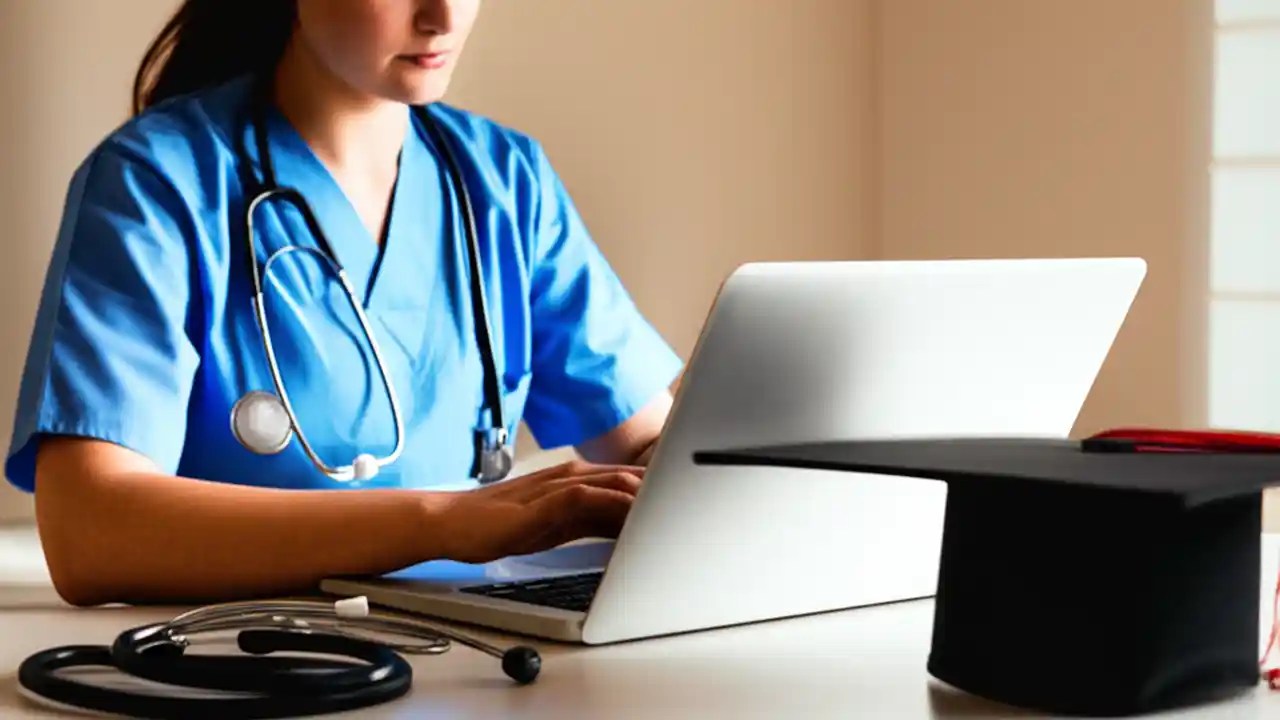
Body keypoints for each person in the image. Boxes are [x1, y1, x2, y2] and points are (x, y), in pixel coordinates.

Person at [4, 0, 683, 607]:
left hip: (470, 656)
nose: (443, 15)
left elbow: (654, 441)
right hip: (246, 663)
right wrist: (443, 522)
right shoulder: (159, 182)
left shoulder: (503, 182)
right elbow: (89, 535)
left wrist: (709, 480)